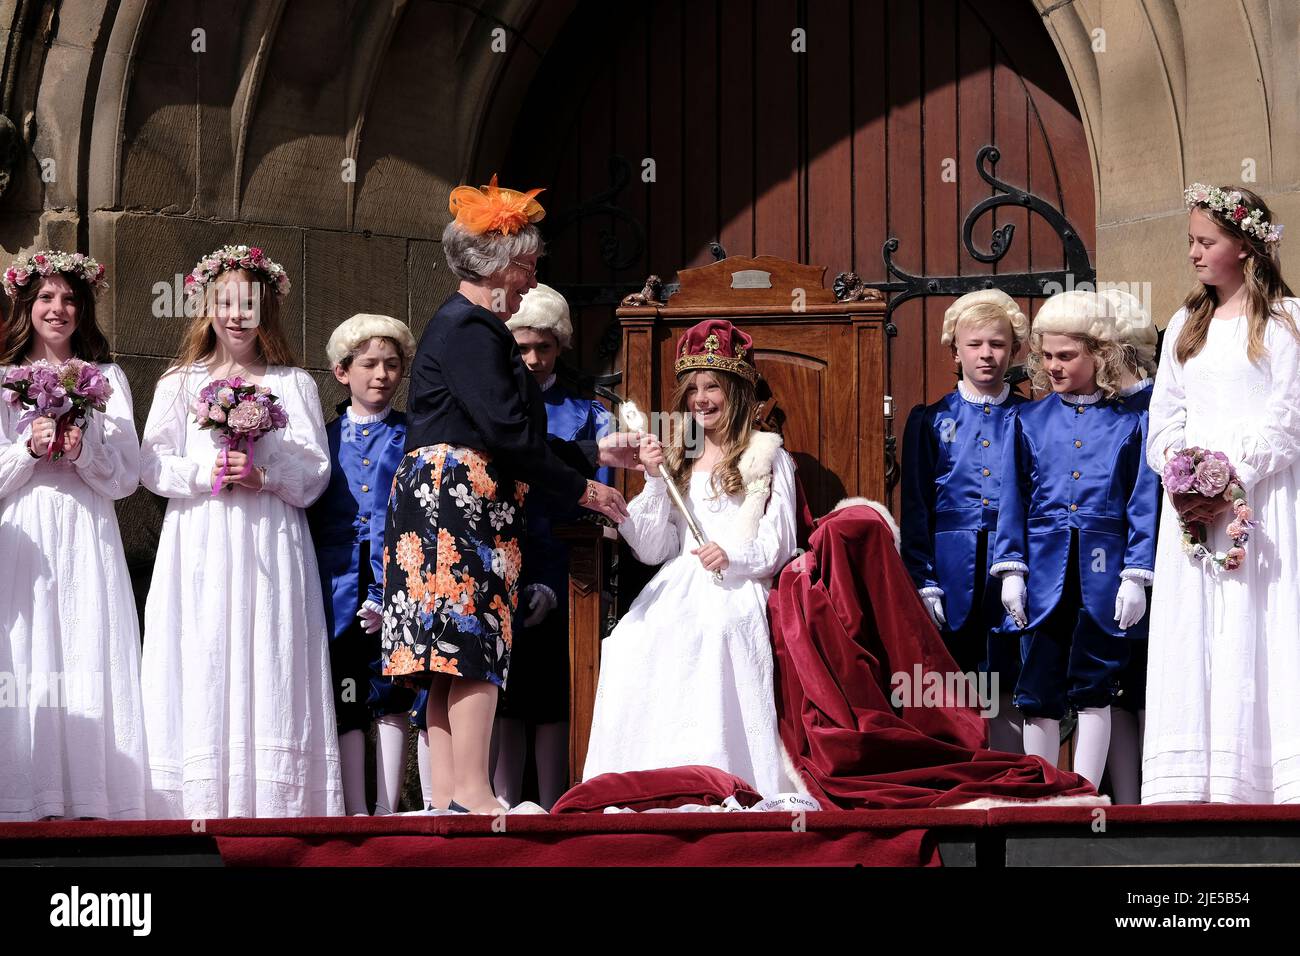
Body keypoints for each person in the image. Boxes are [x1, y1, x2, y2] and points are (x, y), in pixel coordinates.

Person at [380, 176, 633, 815]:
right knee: (468, 643)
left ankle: (447, 794)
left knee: (444, 649)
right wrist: (585, 491)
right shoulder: (473, 328)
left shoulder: (463, 325)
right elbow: (504, 431)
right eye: (527, 267)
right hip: (460, 503)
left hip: (447, 499)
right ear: (502, 266)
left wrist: (595, 454)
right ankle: (469, 789)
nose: (530, 282)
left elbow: (505, 430)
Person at [139, 244, 342, 818]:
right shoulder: (180, 383)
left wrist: (264, 475)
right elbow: (150, 463)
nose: (235, 315)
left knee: (269, 644)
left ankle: (274, 797)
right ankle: (197, 795)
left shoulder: (294, 382)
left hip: (270, 538)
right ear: (207, 305)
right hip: (203, 535)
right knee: (205, 645)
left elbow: (315, 468)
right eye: (225, 302)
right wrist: (207, 472)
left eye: (247, 304)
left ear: (264, 310)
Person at [582, 319, 801, 798]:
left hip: (737, 584)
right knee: (627, 640)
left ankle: (721, 776)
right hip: (679, 581)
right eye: (694, 388)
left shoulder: (766, 456)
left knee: (714, 632)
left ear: (737, 392)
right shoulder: (678, 456)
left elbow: (779, 542)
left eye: (713, 387)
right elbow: (654, 548)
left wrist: (733, 554)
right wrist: (654, 481)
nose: (701, 398)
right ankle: (649, 781)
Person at [1144, 184, 1300, 804]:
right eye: (1191, 241)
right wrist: (1182, 477)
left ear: (1245, 246)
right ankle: (1194, 782)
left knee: (1258, 623)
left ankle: (1261, 779)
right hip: (1192, 512)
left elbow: (1288, 418)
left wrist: (1229, 477)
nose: (1193, 253)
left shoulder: (1288, 321)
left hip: (1258, 504)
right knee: (1196, 632)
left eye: (1205, 241)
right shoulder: (1186, 324)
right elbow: (1165, 415)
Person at [0, 251, 147, 821]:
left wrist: (83, 450)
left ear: (83, 308)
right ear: (26, 305)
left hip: (86, 527)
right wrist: (26, 451)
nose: (57, 309)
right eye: (46, 297)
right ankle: (22, 792)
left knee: (87, 643)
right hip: (25, 531)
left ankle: (89, 794)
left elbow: (128, 476)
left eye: (68, 298)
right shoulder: (3, 378)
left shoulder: (106, 379)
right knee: (26, 650)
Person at [992, 290, 1158, 788]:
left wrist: (1136, 574)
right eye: (1047, 356)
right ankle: (1042, 793)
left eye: (1067, 355)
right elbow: (1012, 501)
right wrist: (1011, 569)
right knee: (1037, 685)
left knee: (1096, 686)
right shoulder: (1025, 420)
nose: (1055, 366)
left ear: (1099, 354)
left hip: (1104, 576)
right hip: (1041, 575)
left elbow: (1142, 503)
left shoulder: (1132, 423)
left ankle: (1084, 796)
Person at [493, 283, 612, 808]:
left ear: (560, 345)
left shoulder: (589, 413)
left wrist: (559, 579)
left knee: (553, 691)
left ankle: (555, 804)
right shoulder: (496, 407)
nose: (534, 358)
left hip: (565, 568)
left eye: (544, 346)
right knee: (504, 696)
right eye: (522, 347)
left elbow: (597, 505)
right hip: (502, 566)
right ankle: (499, 806)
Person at [901, 289, 1030, 753]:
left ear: (1014, 350)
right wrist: (923, 578)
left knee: (1011, 679)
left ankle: (1016, 777)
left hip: (1016, 566)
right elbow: (916, 506)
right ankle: (965, 779)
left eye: (996, 344)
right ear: (954, 349)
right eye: (974, 344)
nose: (986, 354)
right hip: (950, 568)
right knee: (954, 685)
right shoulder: (930, 419)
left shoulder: (1030, 415)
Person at [309, 313, 417, 815]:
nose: (381, 374)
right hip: (335, 586)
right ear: (341, 371)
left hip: (397, 580)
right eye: (369, 363)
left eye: (391, 365)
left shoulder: (413, 436)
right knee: (346, 692)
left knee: (393, 688)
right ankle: (354, 806)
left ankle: (388, 806)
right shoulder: (321, 438)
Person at [1100, 286, 1159, 804]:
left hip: (1165, 555)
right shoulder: (1099, 412)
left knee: (1151, 675)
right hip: (1107, 563)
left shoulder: (1155, 406)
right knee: (1115, 677)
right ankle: (1126, 800)